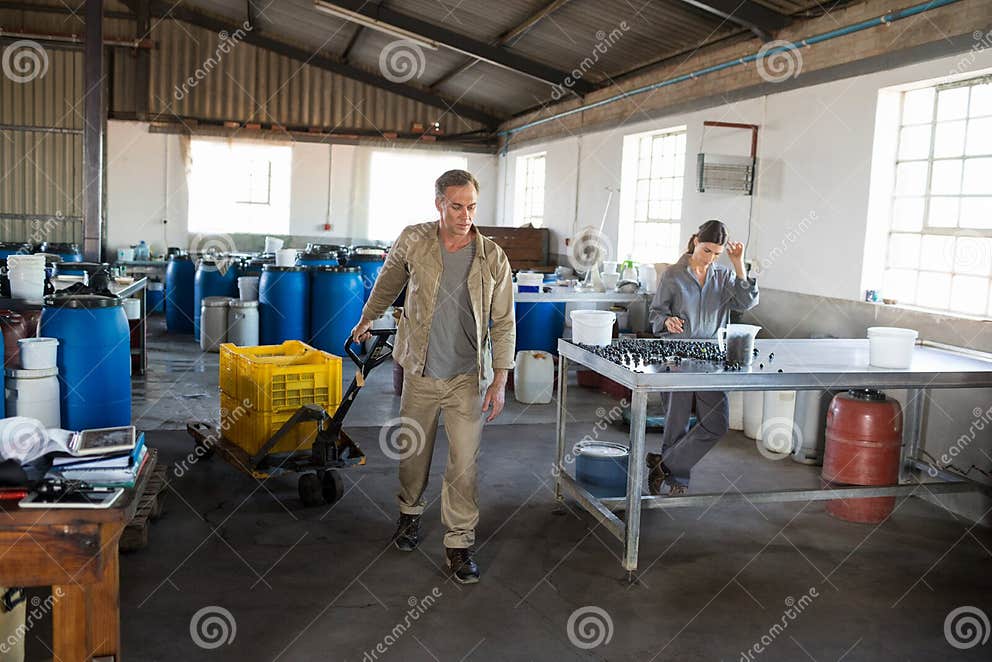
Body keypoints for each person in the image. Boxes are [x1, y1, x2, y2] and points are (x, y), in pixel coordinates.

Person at [350, 169, 515, 584]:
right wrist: (368, 317)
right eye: (457, 206)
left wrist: (499, 379)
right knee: (413, 455)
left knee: (464, 465)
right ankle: (409, 514)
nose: (466, 215)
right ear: (439, 203)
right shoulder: (414, 240)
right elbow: (389, 281)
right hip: (420, 371)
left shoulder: (492, 256)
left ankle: (459, 544)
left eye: (472, 206)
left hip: (466, 378)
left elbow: (504, 321)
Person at [646, 220, 759, 496]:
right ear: (696, 241)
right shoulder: (673, 275)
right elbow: (655, 315)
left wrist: (738, 264)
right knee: (677, 422)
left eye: (717, 254)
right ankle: (677, 481)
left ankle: (666, 464)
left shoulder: (722, 277)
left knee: (717, 423)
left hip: (711, 358)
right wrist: (667, 321)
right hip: (676, 356)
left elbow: (746, 303)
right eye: (707, 250)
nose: (711, 258)